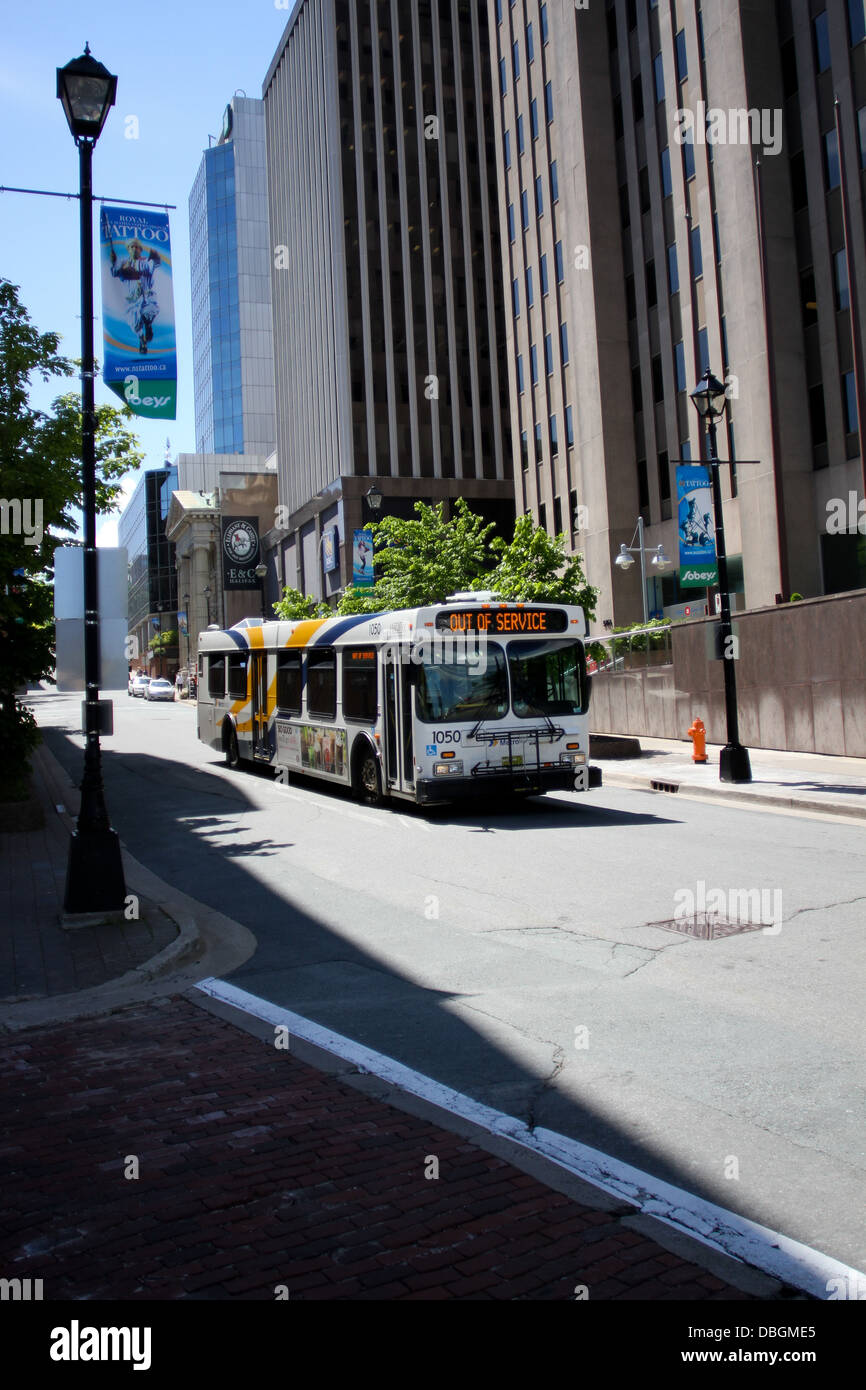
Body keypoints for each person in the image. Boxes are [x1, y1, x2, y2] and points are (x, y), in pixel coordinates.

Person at [110, 238, 161, 354]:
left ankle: (148, 325)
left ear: (140, 250)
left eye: (136, 247)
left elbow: (155, 263)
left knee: (149, 311)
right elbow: (114, 272)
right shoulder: (123, 263)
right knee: (134, 320)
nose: (134, 249)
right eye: (131, 247)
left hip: (146, 295)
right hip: (132, 298)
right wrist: (113, 261)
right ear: (128, 249)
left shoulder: (146, 263)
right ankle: (142, 339)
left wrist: (154, 257)